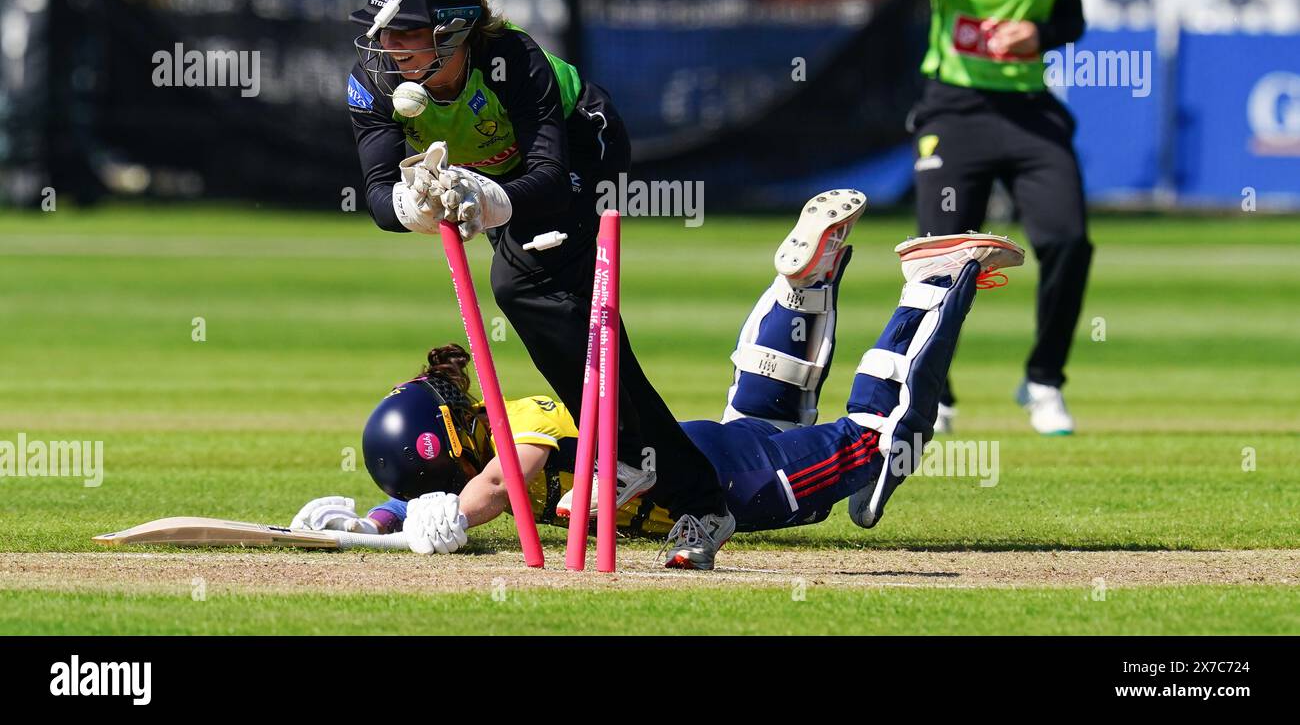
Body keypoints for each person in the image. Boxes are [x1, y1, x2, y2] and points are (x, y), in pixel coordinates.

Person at [291, 192, 1025, 560]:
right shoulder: (484, 452)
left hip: (736, 482)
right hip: (713, 456)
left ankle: (933, 281)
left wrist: (454, 516)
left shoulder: (519, 431)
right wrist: (373, 523)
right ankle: (803, 289)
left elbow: (506, 477)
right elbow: (452, 493)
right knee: (769, 413)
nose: (473, 405)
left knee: (871, 440)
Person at [345, 0, 735, 567]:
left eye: (407, 33)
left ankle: (634, 460)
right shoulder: (373, 82)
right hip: (506, 178)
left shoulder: (511, 60)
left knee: (524, 286)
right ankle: (681, 488)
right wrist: (413, 204)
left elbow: (551, 178)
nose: (390, 47)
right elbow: (376, 196)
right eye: (385, 32)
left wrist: (482, 194)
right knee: (579, 329)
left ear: (455, 33)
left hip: (587, 152)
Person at [876, 0, 1091, 436]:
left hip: (1028, 112)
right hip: (956, 110)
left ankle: (1044, 380)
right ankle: (933, 391)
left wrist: (1039, 35)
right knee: (939, 256)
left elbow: (1072, 20)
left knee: (1068, 241)